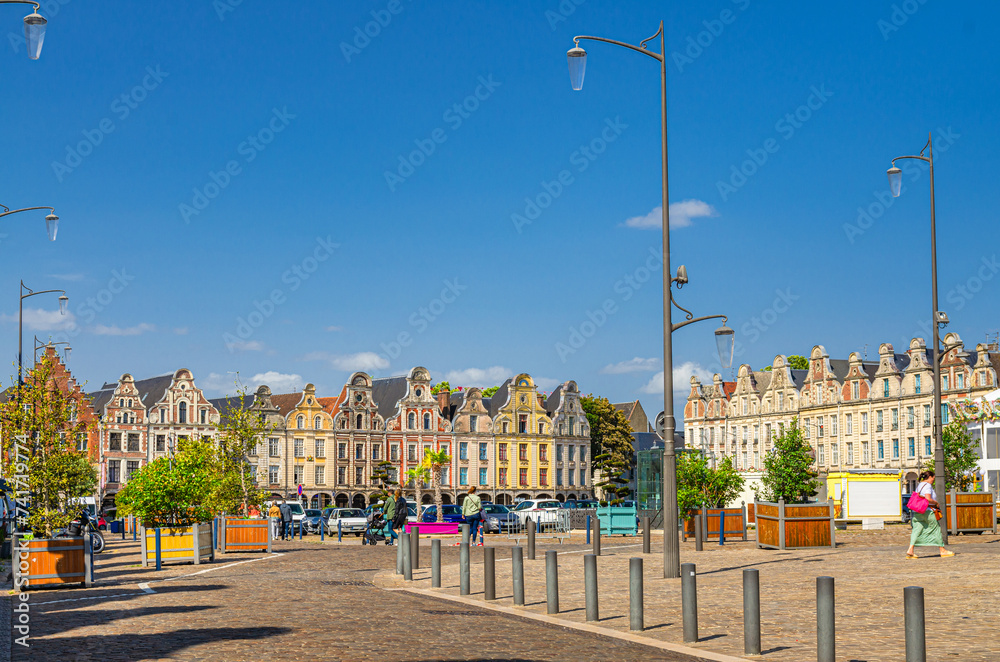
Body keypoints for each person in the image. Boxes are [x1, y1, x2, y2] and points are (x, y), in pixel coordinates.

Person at [906, 470, 955, 559]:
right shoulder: (928, 486)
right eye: (933, 478)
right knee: (936, 528)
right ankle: (942, 550)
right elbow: (928, 498)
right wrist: (935, 503)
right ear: (930, 477)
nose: (933, 480)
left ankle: (910, 549)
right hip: (927, 511)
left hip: (917, 511)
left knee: (916, 530)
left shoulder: (919, 485)